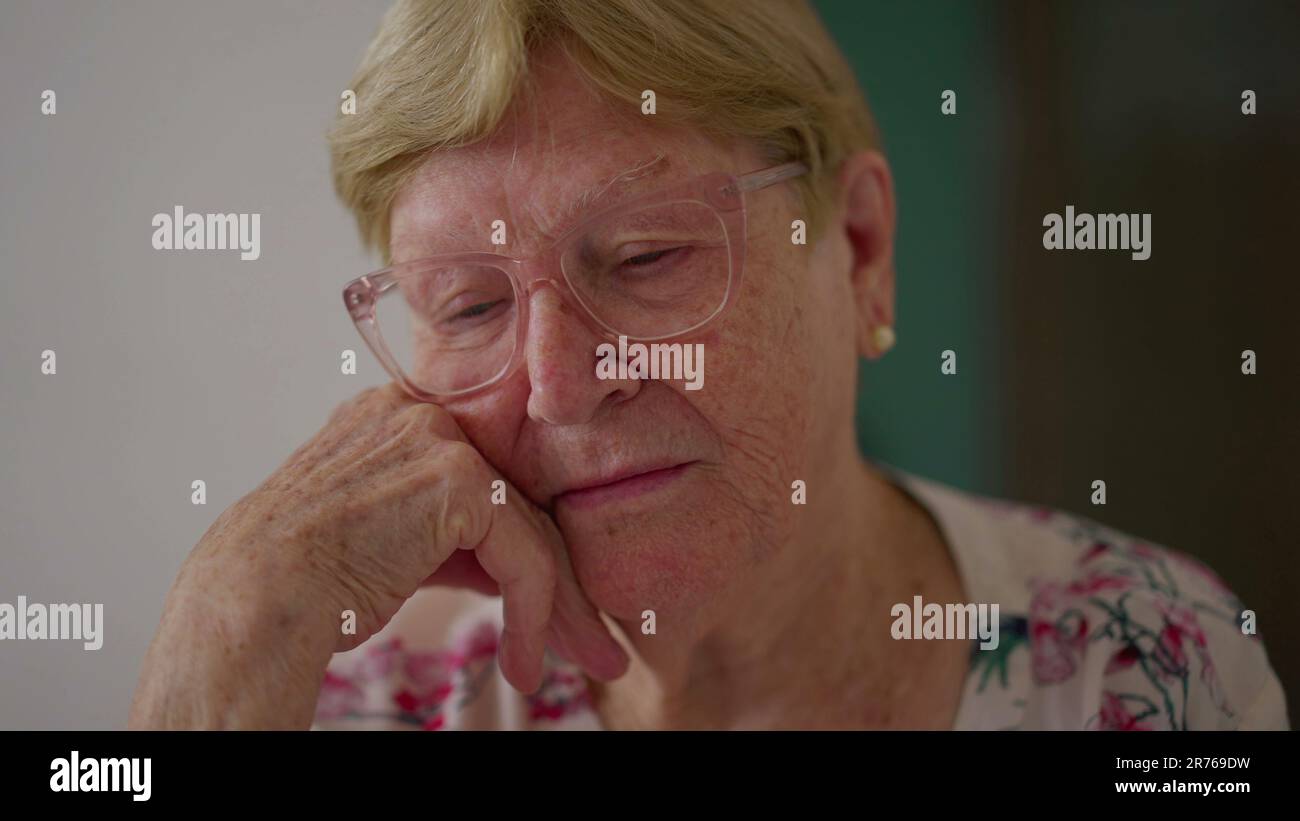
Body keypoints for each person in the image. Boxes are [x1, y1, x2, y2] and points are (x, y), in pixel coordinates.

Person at [130, 0, 1288, 730]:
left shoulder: (1148, 668)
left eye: (645, 255)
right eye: (470, 303)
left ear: (860, 251)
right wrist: (221, 638)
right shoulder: (351, 704)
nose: (561, 382)